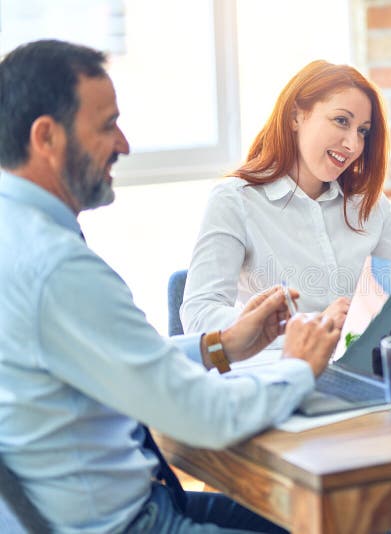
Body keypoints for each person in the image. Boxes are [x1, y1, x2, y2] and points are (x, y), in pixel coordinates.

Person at [0, 39, 341, 533]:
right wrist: (298, 366)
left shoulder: (17, 236)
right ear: (46, 137)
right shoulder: (57, 269)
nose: (124, 144)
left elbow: (117, 357)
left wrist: (219, 346)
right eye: (106, 126)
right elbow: (203, 416)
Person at [180, 60, 391, 336]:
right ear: (297, 115)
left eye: (363, 132)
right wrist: (300, 326)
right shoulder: (235, 200)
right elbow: (198, 315)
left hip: (358, 368)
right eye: (341, 121)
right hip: (280, 373)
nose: (353, 145)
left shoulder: (366, 203)